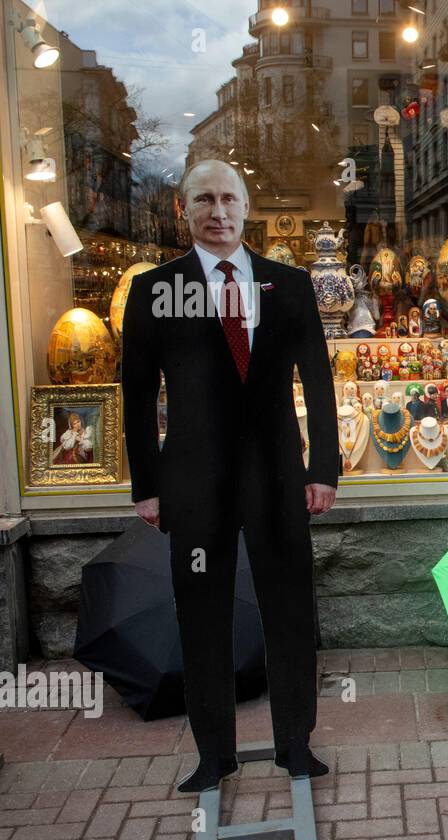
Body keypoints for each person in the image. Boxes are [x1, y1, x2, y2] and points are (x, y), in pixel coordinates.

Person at [122, 159, 340, 793]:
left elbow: (319, 385)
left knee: (291, 610)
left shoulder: (290, 286)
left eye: (228, 200)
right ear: (183, 211)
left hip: (278, 477)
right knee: (202, 615)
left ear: (247, 209)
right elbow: (136, 396)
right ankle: (213, 755)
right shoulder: (154, 291)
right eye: (203, 201)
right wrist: (148, 486)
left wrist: (322, 468)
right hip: (195, 483)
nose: (217, 212)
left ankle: (295, 746)